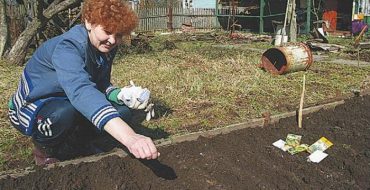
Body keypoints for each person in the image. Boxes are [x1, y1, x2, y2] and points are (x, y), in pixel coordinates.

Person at [7, 0, 159, 166]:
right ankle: (44, 150)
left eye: (119, 35)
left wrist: (121, 94)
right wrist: (130, 137)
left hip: (70, 98)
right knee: (63, 113)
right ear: (89, 22)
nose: (112, 40)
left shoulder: (105, 48)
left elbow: (99, 84)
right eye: (107, 31)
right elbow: (81, 90)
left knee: (123, 112)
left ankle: (78, 143)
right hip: (40, 102)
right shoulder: (68, 47)